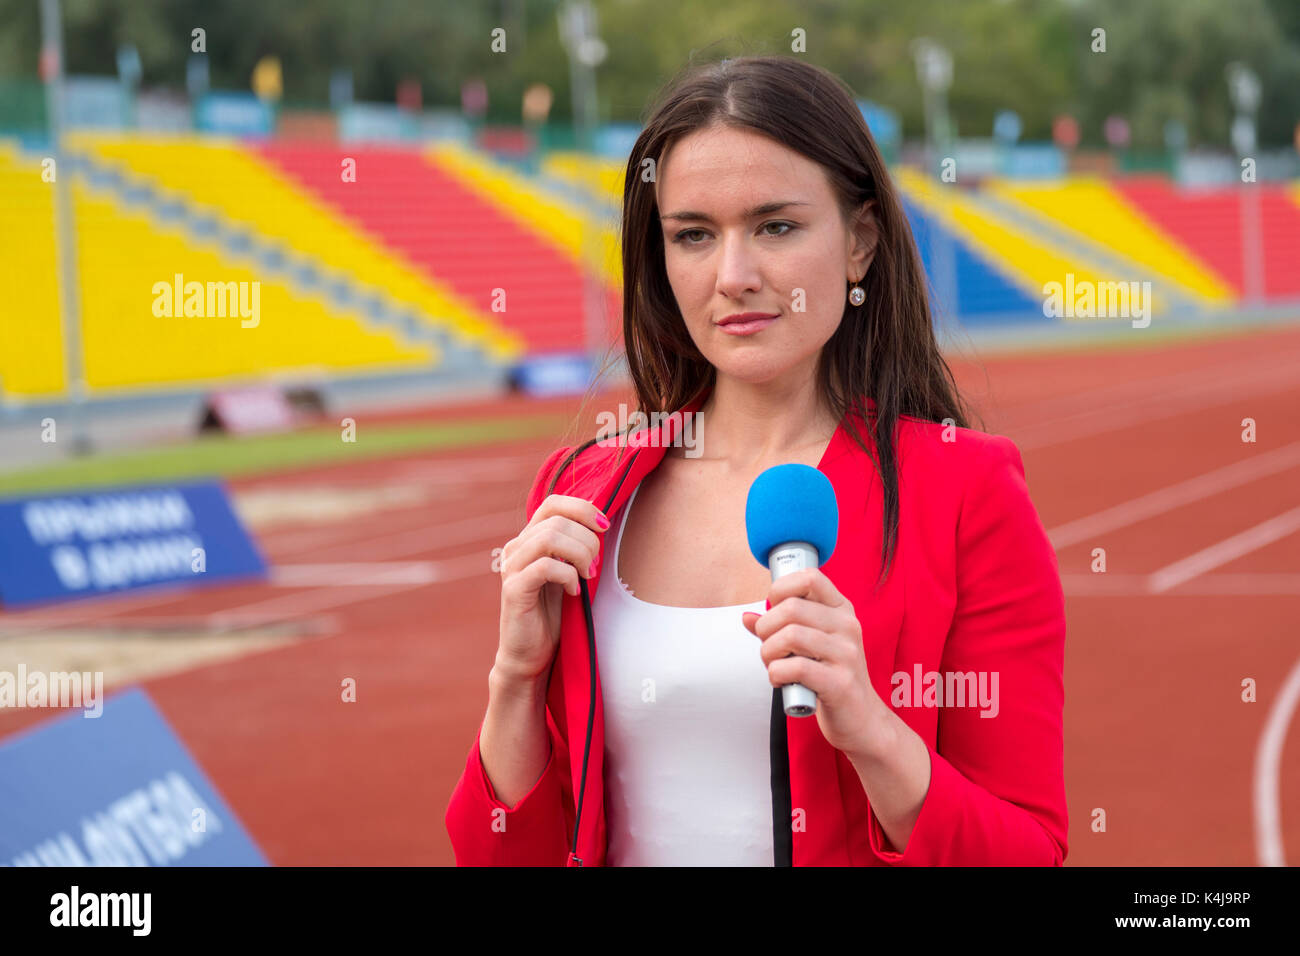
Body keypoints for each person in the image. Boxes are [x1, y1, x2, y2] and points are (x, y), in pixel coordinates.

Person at [444, 54, 1067, 866]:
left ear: (860, 243)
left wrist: (873, 731)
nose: (733, 277)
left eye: (775, 226)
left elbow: (1026, 851)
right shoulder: (580, 492)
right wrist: (516, 678)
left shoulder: (964, 490)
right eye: (694, 235)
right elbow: (501, 854)